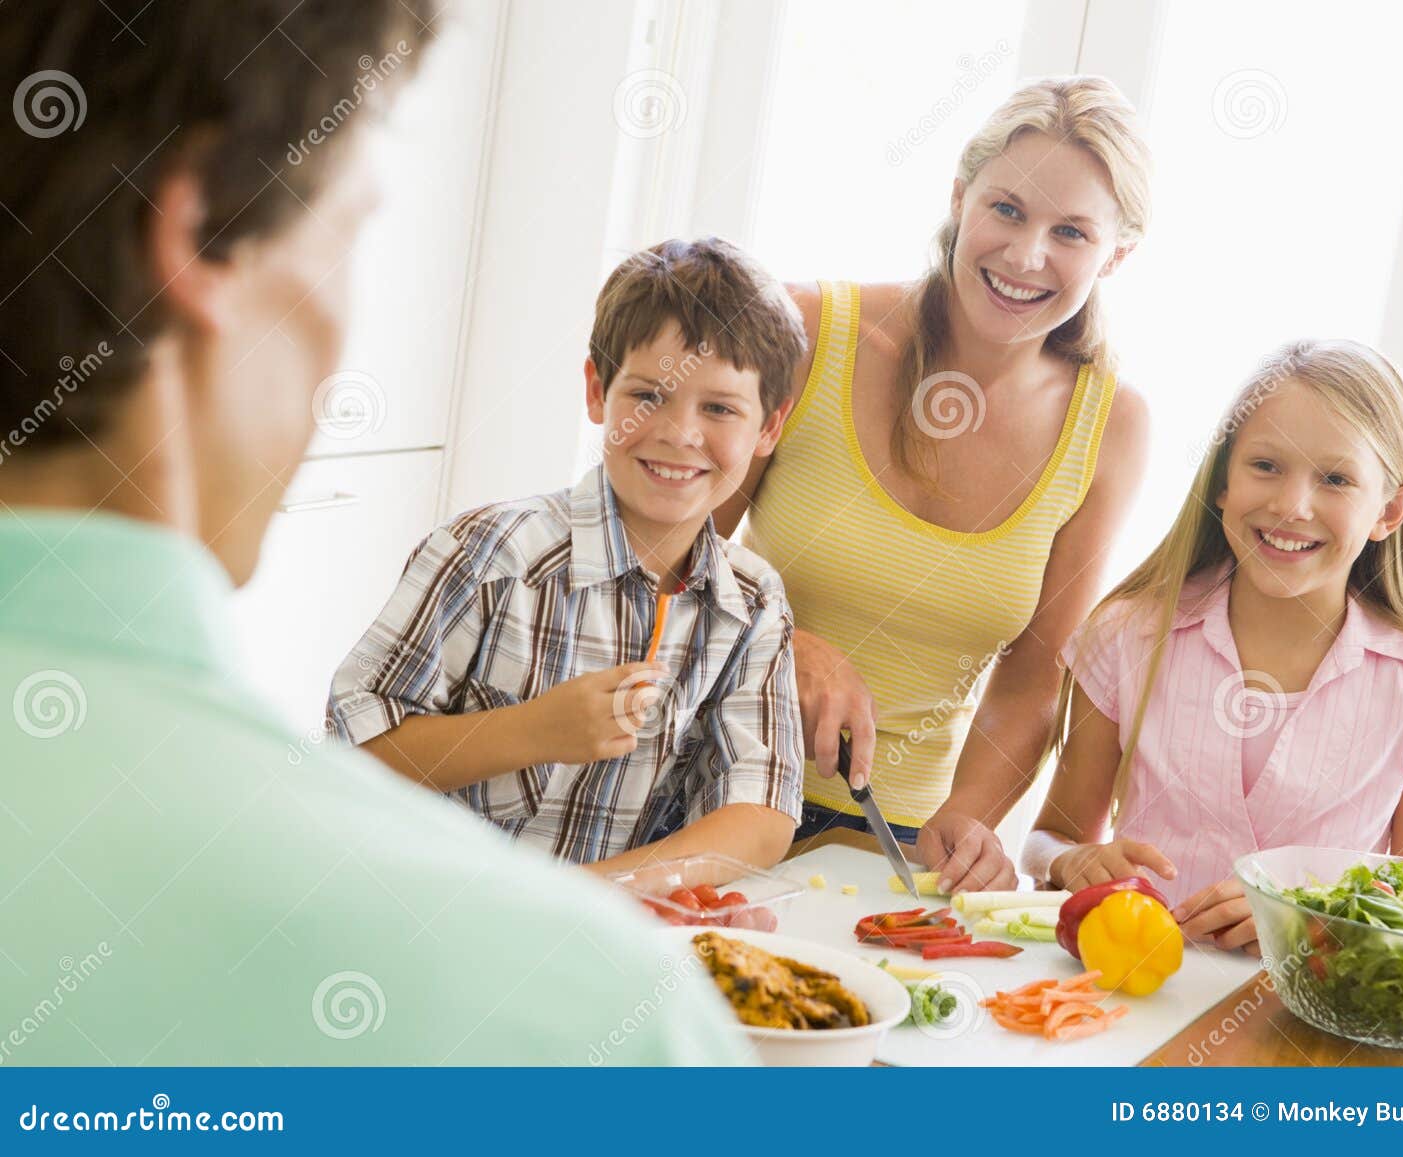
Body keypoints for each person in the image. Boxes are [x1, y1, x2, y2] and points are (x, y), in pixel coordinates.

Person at [0, 0, 740, 1063]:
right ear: (202, 228)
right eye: (349, 230)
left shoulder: (744, 600)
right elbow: (368, 740)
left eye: (720, 408)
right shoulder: (588, 1014)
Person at [714, 77, 1152, 893]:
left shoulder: (1111, 423)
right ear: (959, 197)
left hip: (894, 843)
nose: (1026, 256)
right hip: (710, 789)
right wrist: (783, 642)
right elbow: (665, 554)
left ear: (1117, 254)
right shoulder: (808, 330)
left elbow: (1033, 674)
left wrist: (970, 816)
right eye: (1008, 210)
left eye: (1071, 232)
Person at [328, 238, 807, 873]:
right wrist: (534, 731)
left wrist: (593, 899)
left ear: (769, 427)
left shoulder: (751, 602)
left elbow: (763, 810)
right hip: (431, 918)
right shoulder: (488, 554)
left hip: (599, 930)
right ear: (595, 390)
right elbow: (351, 750)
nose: (679, 433)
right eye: (647, 396)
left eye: (719, 408)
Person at [1023, 339, 1403, 955]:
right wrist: (1071, 862)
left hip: (1309, 1025)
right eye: (1266, 466)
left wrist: (1309, 918)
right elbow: (1049, 838)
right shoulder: (1128, 636)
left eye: (1335, 479)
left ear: (1391, 511)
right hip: (1133, 997)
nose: (1291, 506)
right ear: (1222, 484)